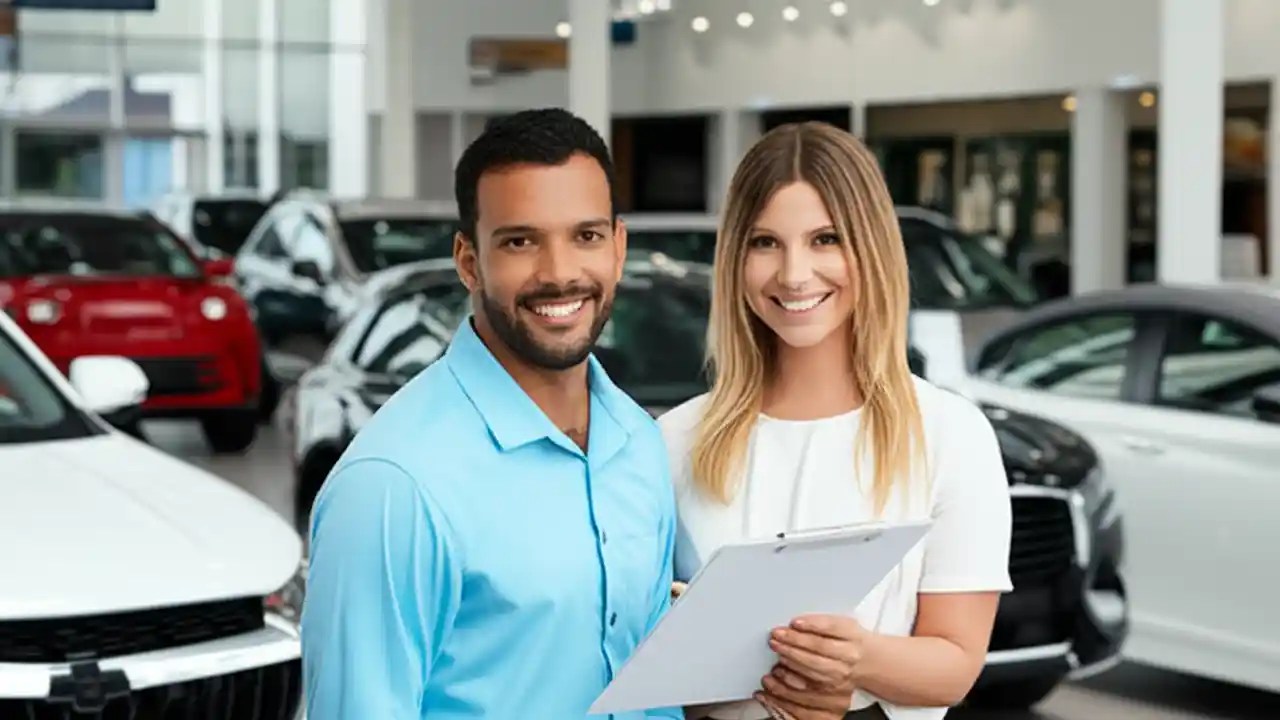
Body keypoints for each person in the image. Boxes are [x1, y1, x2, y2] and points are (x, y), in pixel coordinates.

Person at [301, 108, 683, 720]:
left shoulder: (637, 441)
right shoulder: (393, 486)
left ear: (618, 248)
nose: (559, 274)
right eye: (520, 241)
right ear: (469, 260)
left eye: (585, 236)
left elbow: (651, 694)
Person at [659, 122, 1013, 720]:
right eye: (766, 242)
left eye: (825, 239)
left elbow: (956, 663)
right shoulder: (674, 441)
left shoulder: (950, 435)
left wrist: (857, 662)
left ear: (870, 248)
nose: (794, 274)